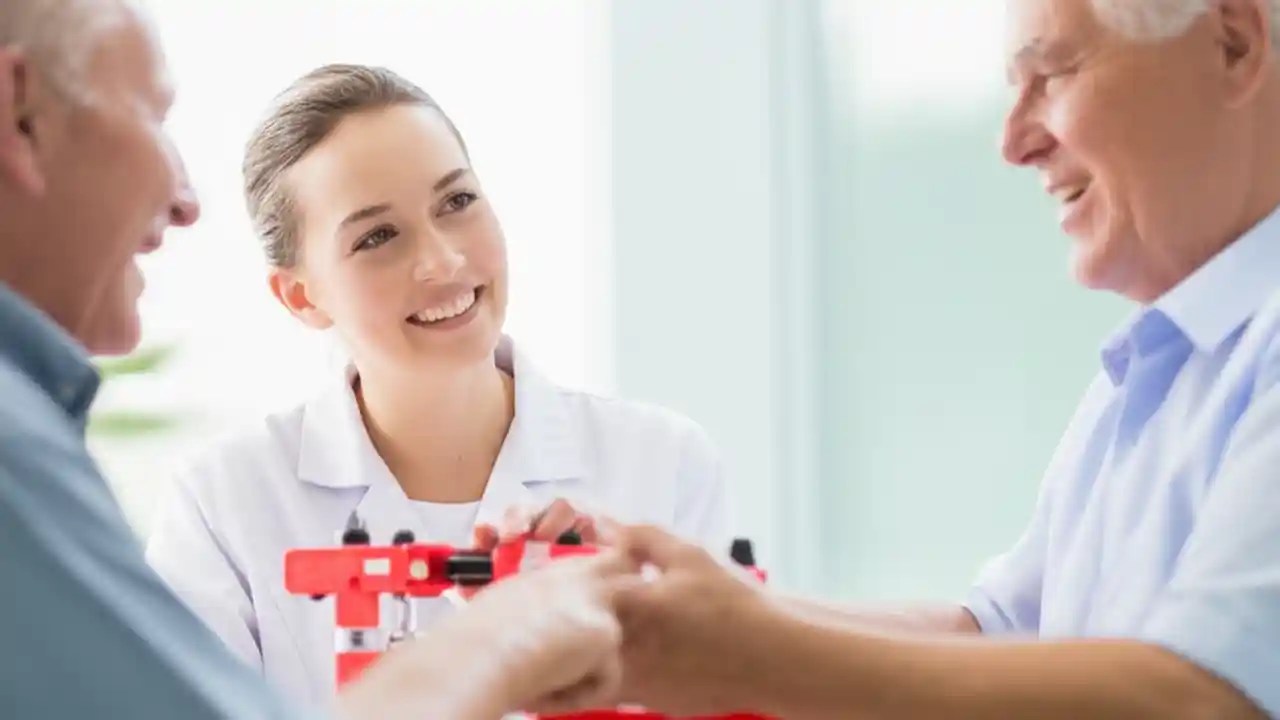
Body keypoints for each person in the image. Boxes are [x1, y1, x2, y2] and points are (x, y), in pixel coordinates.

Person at [554, 0, 1280, 717]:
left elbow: (1208, 698)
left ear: (1232, 44)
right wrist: (667, 608)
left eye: (1052, 74)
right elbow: (1000, 641)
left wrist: (752, 655)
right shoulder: (1158, 366)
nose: (1015, 140)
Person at [0, 1, 636, 718]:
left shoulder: (657, 455)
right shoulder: (35, 458)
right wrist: (508, 634)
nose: (185, 200)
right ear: (19, 113)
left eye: (458, 199)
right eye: (152, 115)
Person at [143, 62, 732, 704]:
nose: (443, 260)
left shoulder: (664, 461)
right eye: (378, 237)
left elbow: (737, 694)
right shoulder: (225, 504)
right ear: (301, 297)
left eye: (456, 202)